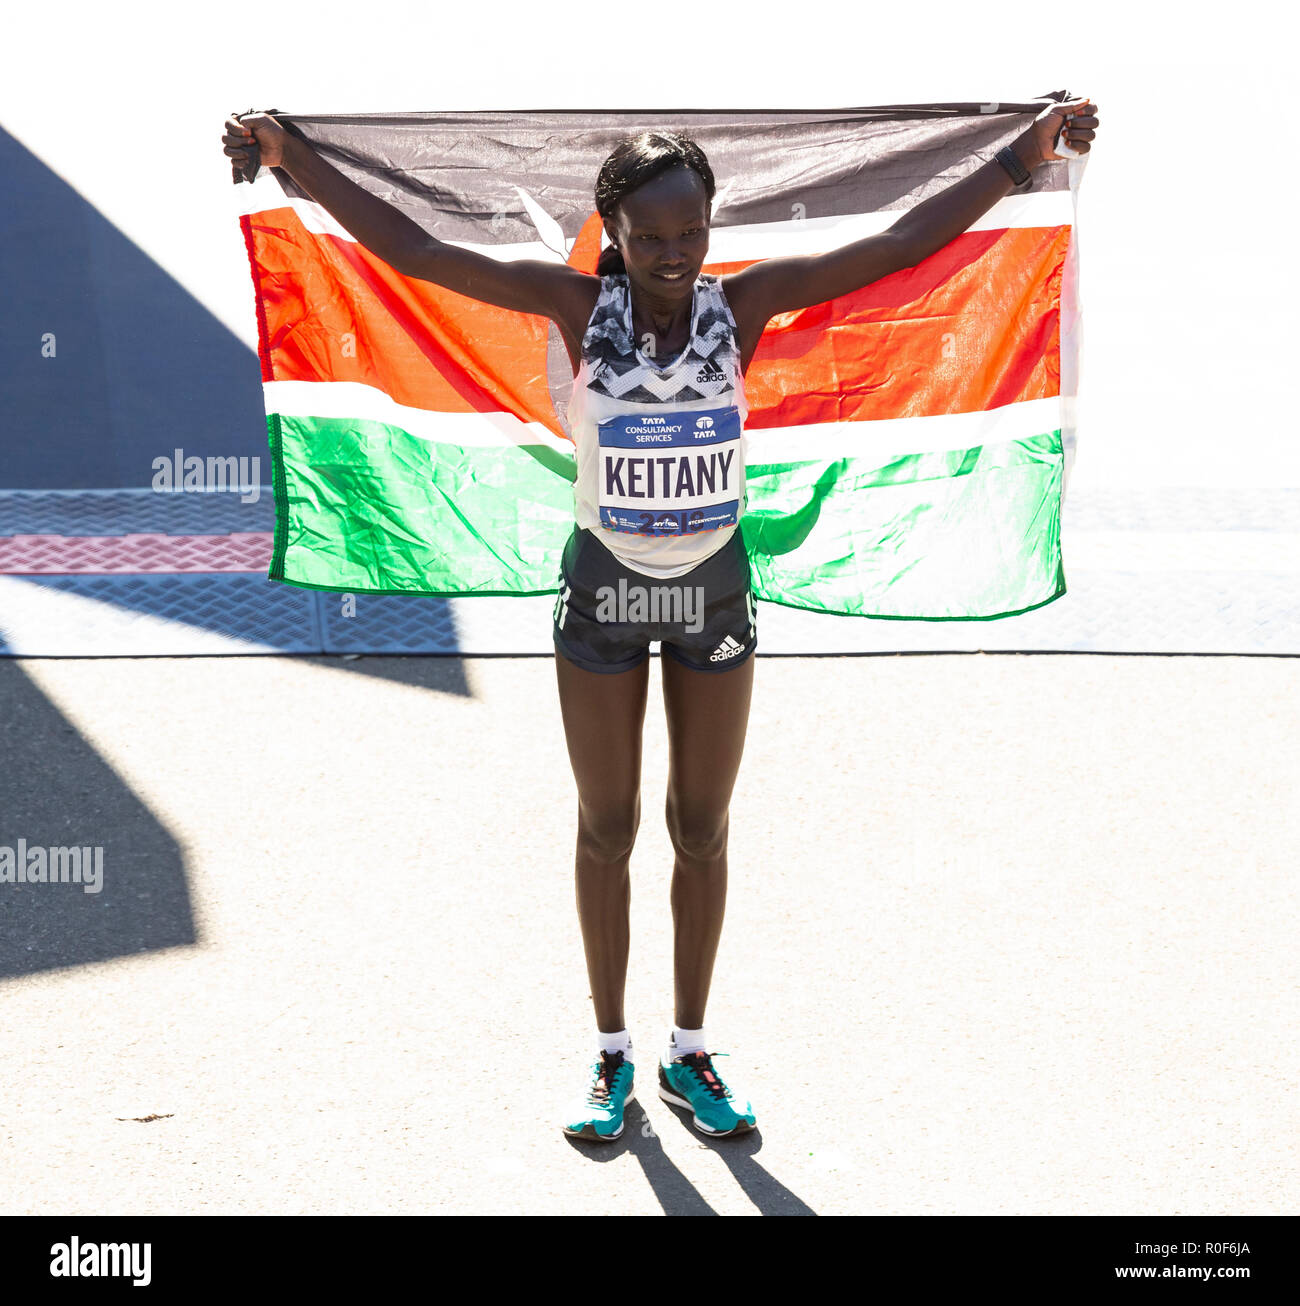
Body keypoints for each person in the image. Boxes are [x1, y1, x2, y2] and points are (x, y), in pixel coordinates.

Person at [223, 96, 1099, 1142]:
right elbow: (414, 249)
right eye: (649, 237)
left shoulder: (749, 304)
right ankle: (608, 1056)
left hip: (708, 596)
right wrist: (293, 160)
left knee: (700, 827)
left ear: (711, 229)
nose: (672, 254)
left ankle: (689, 1051)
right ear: (615, 234)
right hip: (602, 592)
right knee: (607, 828)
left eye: (690, 233)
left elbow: (898, 240)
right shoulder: (567, 303)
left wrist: (1020, 154)